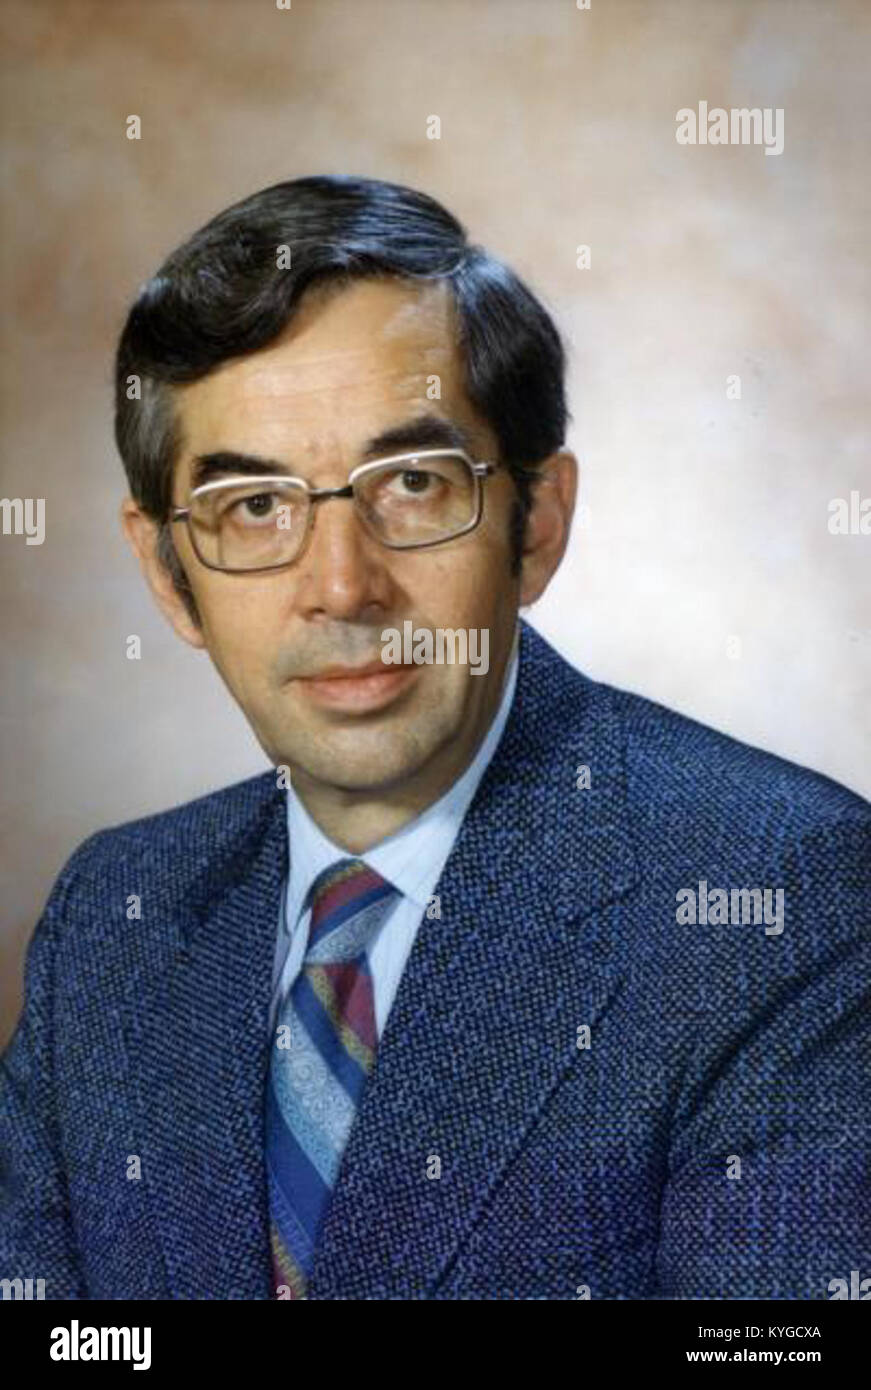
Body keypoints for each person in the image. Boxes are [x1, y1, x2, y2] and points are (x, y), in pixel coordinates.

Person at [1, 175, 868, 1300]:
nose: (342, 586)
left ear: (536, 526)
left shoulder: (777, 897)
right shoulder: (112, 917)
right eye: (255, 505)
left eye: (410, 483)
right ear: (169, 575)